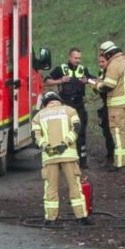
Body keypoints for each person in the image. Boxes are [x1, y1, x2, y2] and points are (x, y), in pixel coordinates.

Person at [32, 92, 90, 227]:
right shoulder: (70, 110)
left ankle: (50, 219)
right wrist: (65, 144)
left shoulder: (38, 116)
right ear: (59, 100)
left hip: (50, 157)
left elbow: (36, 136)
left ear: (45, 103)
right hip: (68, 154)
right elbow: (77, 128)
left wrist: (46, 147)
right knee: (75, 186)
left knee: (50, 187)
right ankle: (81, 217)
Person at [44, 47, 93, 167]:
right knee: (64, 133)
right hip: (65, 106)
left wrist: (88, 80)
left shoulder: (83, 69)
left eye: (79, 58)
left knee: (81, 132)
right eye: (75, 58)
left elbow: (95, 80)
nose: (78, 60)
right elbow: (46, 81)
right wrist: (60, 80)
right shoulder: (61, 69)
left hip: (79, 106)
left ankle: (82, 161)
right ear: (69, 57)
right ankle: (63, 160)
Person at [96, 40, 125, 170]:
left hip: (118, 105)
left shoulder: (114, 64)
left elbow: (108, 86)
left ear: (108, 53)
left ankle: (119, 163)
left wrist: (97, 85)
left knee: (118, 133)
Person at [95, 54, 115, 164]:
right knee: (106, 133)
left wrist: (98, 85)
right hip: (105, 105)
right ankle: (109, 156)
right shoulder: (101, 73)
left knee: (112, 133)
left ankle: (113, 158)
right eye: (99, 62)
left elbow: (106, 88)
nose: (101, 64)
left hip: (113, 106)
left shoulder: (111, 74)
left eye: (103, 61)